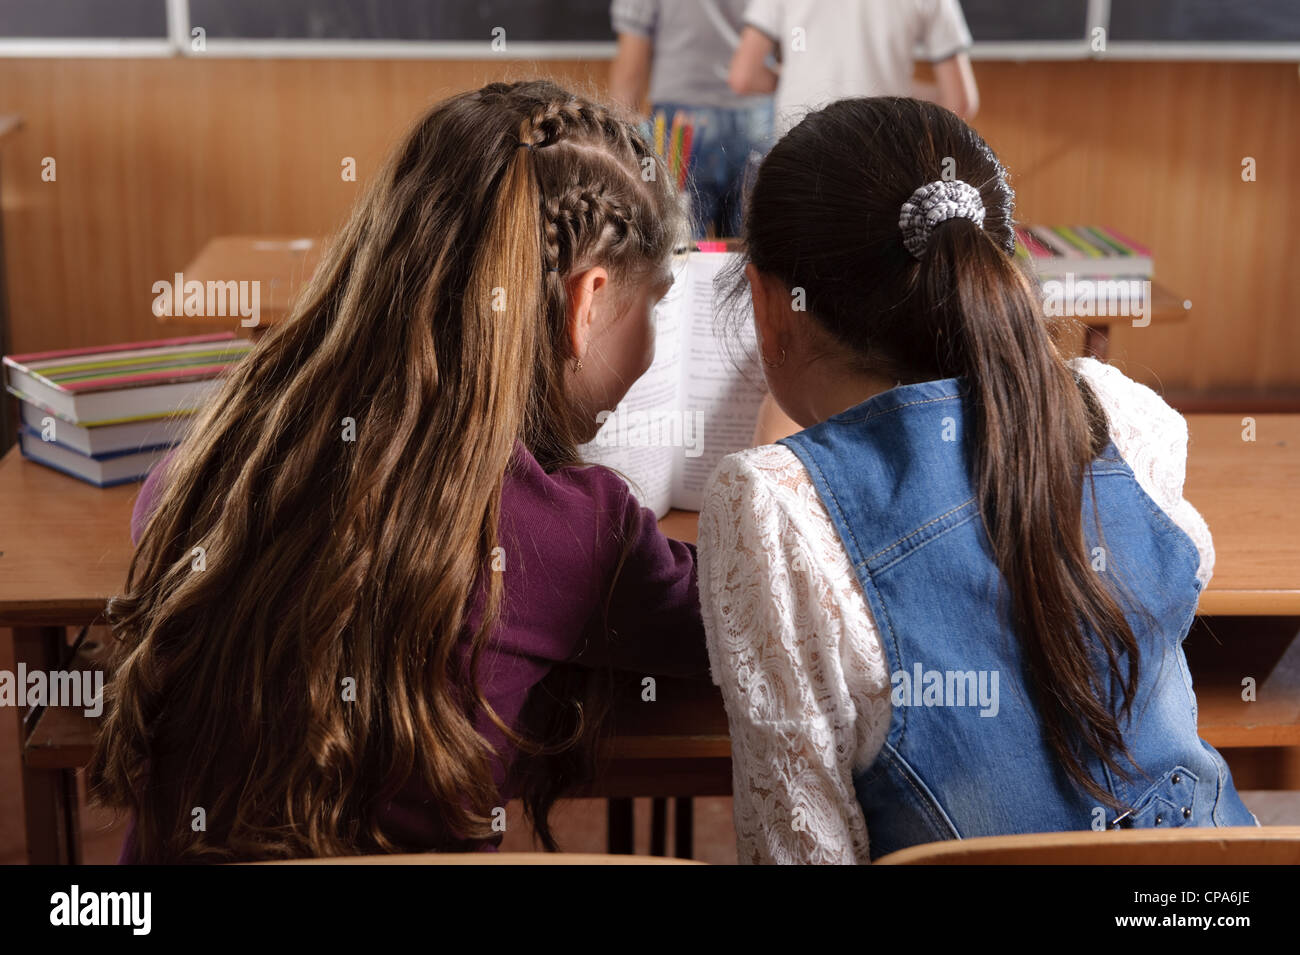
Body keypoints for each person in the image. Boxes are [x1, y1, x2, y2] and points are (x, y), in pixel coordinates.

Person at [90, 80, 709, 864]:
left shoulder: (208, 463)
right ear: (586, 304)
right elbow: (741, 623)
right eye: (653, 301)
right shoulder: (581, 531)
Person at [698, 96, 1258, 864]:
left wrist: (788, 465)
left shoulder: (770, 505)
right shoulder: (1124, 415)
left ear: (770, 304)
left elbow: (800, 853)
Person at [610, 0, 774, 237]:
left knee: (675, 252)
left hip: (680, 118)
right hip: (757, 118)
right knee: (750, 255)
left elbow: (633, 47)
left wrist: (619, 145)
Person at [729, 0, 979, 137]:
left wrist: (797, 77)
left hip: (798, 143)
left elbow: (743, 77)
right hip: (882, 148)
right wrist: (897, 89)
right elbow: (960, 101)